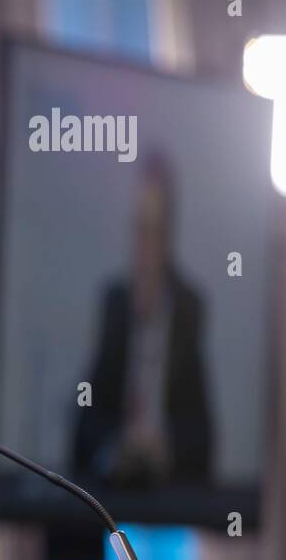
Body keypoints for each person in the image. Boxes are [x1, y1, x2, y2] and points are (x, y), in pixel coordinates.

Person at [73, 153, 213, 487]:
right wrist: (117, 444)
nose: (145, 244)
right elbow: (84, 426)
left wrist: (163, 445)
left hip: (170, 489)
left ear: (169, 230)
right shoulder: (115, 303)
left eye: (154, 230)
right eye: (139, 228)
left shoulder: (188, 306)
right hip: (114, 483)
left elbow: (203, 438)